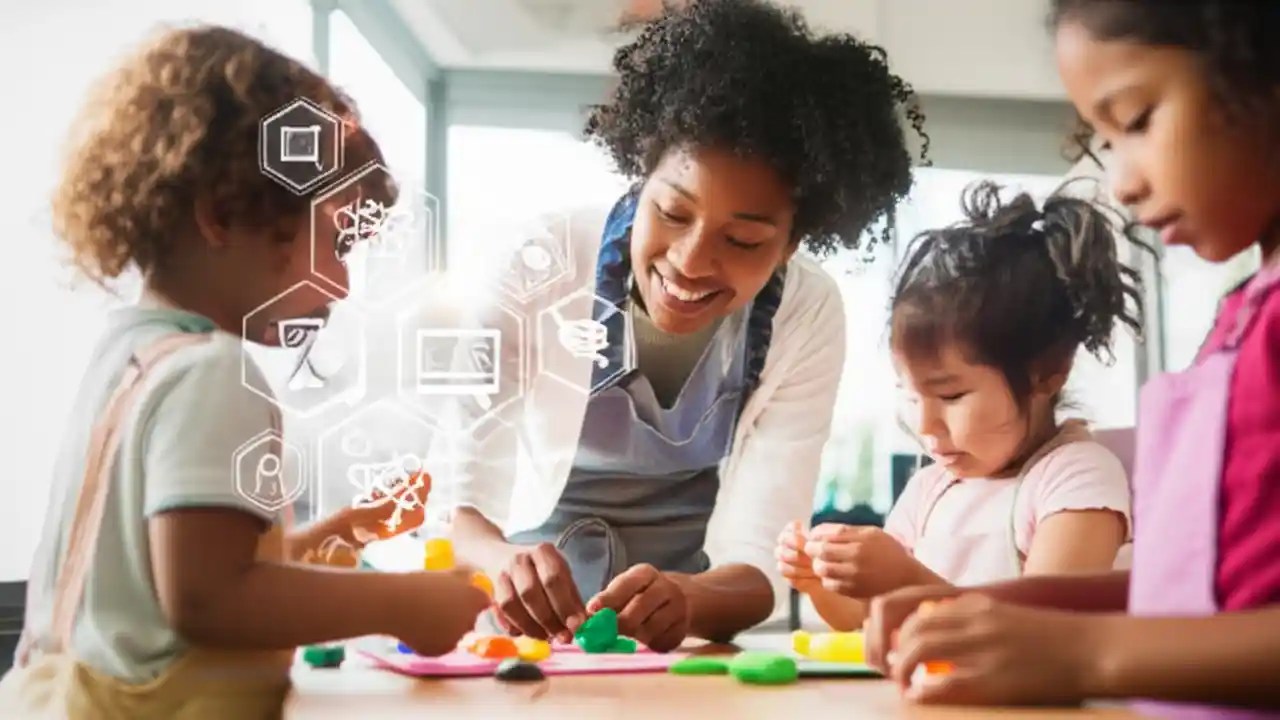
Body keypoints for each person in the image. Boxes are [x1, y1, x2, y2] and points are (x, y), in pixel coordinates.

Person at [0, 26, 487, 718]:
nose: (342, 283)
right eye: (336, 240)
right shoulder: (214, 371)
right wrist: (409, 602)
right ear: (226, 215)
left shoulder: (129, 358)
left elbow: (163, 578)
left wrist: (342, 531)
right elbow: (211, 597)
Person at [441, 0, 928, 652]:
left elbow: (759, 566)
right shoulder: (538, 263)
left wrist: (690, 600)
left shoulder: (807, 315)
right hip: (517, 640)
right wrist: (505, 565)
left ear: (791, 245)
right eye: (672, 211)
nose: (691, 262)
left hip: (683, 647)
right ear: (643, 172)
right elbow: (458, 506)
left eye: (745, 240)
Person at [864, 0, 1280, 713]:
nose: (1123, 183)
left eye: (1139, 120)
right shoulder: (1240, 319)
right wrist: (978, 609)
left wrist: (1082, 653)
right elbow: (1196, 593)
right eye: (1104, 141)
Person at [776, 181, 1142, 631]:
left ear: (1048, 373)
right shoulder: (931, 489)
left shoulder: (1076, 477)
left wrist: (905, 578)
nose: (925, 425)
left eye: (950, 396)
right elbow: (861, 616)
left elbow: (1045, 625)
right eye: (910, 395)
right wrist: (819, 582)